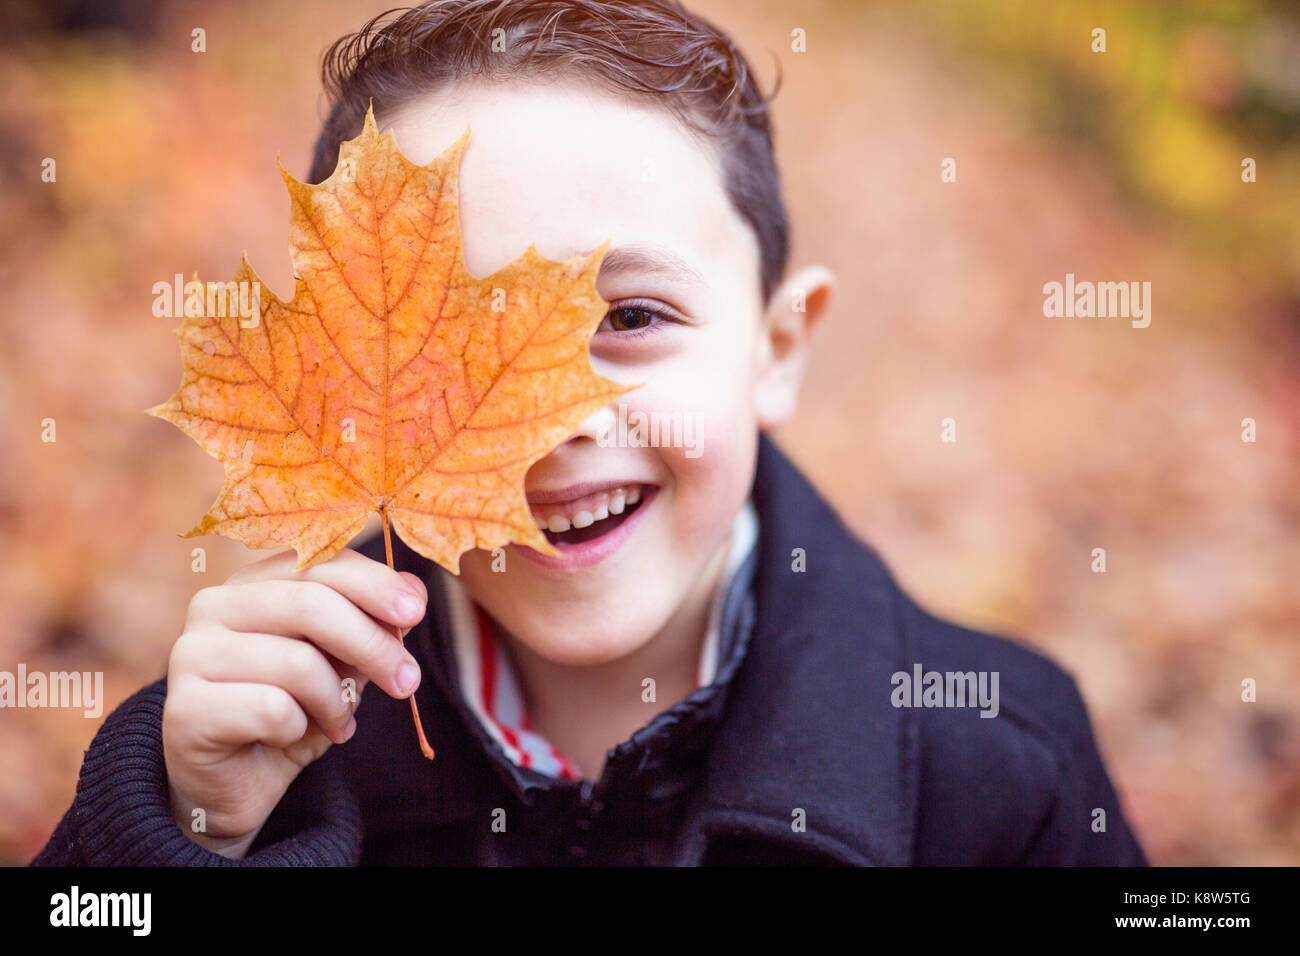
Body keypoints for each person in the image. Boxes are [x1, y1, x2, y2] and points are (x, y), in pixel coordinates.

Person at [33, 0, 1146, 866]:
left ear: (778, 345)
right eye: (446, 343)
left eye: (631, 317)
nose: (556, 418)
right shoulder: (257, 743)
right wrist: (189, 836)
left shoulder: (998, 764)